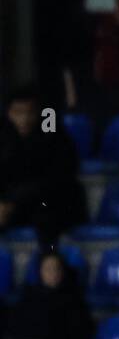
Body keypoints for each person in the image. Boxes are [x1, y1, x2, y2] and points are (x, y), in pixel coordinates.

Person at [0, 87, 87, 246]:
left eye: (30, 112)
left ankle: (50, 261)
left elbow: (56, 180)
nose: (24, 119)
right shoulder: (4, 136)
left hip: (53, 204)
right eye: (18, 112)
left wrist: (12, 203)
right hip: (15, 208)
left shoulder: (54, 135)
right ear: (8, 113)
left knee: (46, 211)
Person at [0, 251, 94, 339]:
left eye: (56, 269)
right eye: (48, 269)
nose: (52, 273)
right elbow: (15, 324)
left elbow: (75, 334)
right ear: (41, 272)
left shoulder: (72, 299)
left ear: (63, 272)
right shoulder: (30, 295)